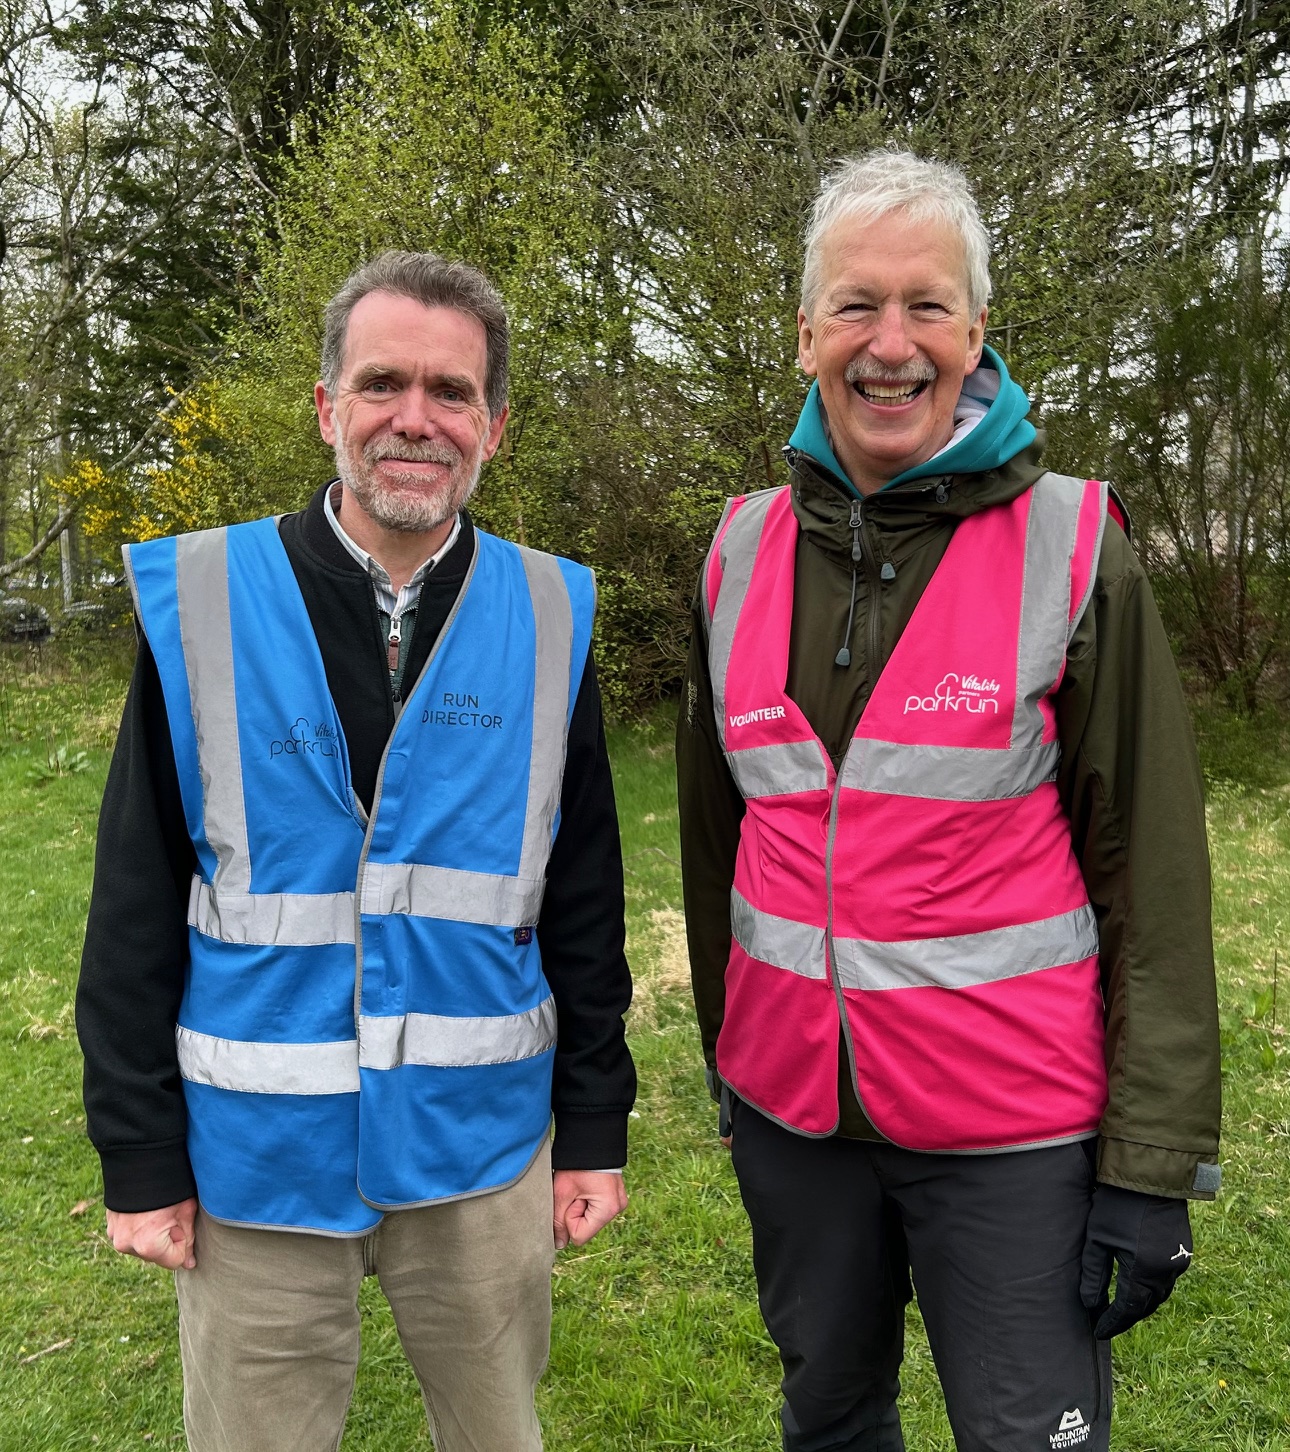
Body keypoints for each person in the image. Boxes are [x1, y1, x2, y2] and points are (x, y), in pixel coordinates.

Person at [677, 149, 1220, 1452]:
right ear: (804, 331)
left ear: (977, 331)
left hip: (1010, 1134)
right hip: (797, 1119)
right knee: (831, 1423)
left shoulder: (1074, 544)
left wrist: (1147, 1170)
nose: (891, 343)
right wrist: (731, 1072)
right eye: (856, 305)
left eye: (927, 306)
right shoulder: (737, 551)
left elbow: (1152, 876)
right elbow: (714, 854)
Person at [76, 250, 636, 1452]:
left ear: (494, 423)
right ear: (329, 405)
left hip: (482, 1149)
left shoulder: (550, 612)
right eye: (383, 381)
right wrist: (137, 1148)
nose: (415, 418)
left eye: (451, 390)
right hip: (253, 1163)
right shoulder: (208, 595)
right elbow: (132, 896)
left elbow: (587, 898)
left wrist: (594, 1128)